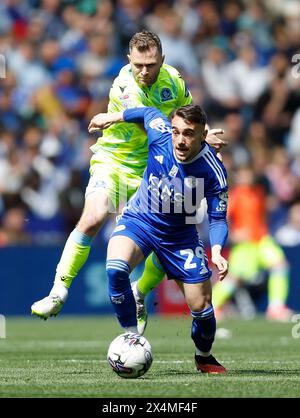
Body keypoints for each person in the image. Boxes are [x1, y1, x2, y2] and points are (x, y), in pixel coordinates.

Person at [31, 30, 226, 324]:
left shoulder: (173, 79)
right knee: (95, 216)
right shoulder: (125, 85)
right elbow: (149, 122)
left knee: (171, 229)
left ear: (163, 60)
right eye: (138, 65)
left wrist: (204, 133)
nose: (144, 72)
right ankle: (59, 290)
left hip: (154, 166)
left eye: (151, 65)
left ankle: (140, 291)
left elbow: (187, 114)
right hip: (117, 161)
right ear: (129, 61)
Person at [92, 104, 229, 373]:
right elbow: (146, 112)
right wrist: (112, 117)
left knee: (202, 307)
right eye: (176, 131)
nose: (180, 140)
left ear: (204, 135)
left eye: (189, 134)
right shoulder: (160, 133)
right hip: (140, 219)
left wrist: (217, 251)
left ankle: (204, 356)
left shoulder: (213, 172)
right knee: (116, 269)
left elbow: (218, 218)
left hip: (180, 237)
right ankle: (131, 336)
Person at [213, 165, 292, 321]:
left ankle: (276, 307)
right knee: (235, 278)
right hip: (245, 244)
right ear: (238, 176)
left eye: (249, 173)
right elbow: (221, 218)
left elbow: (263, 213)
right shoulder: (234, 196)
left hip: (262, 239)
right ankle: (211, 307)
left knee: (280, 265)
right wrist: (234, 235)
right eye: (243, 174)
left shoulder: (259, 192)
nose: (247, 177)